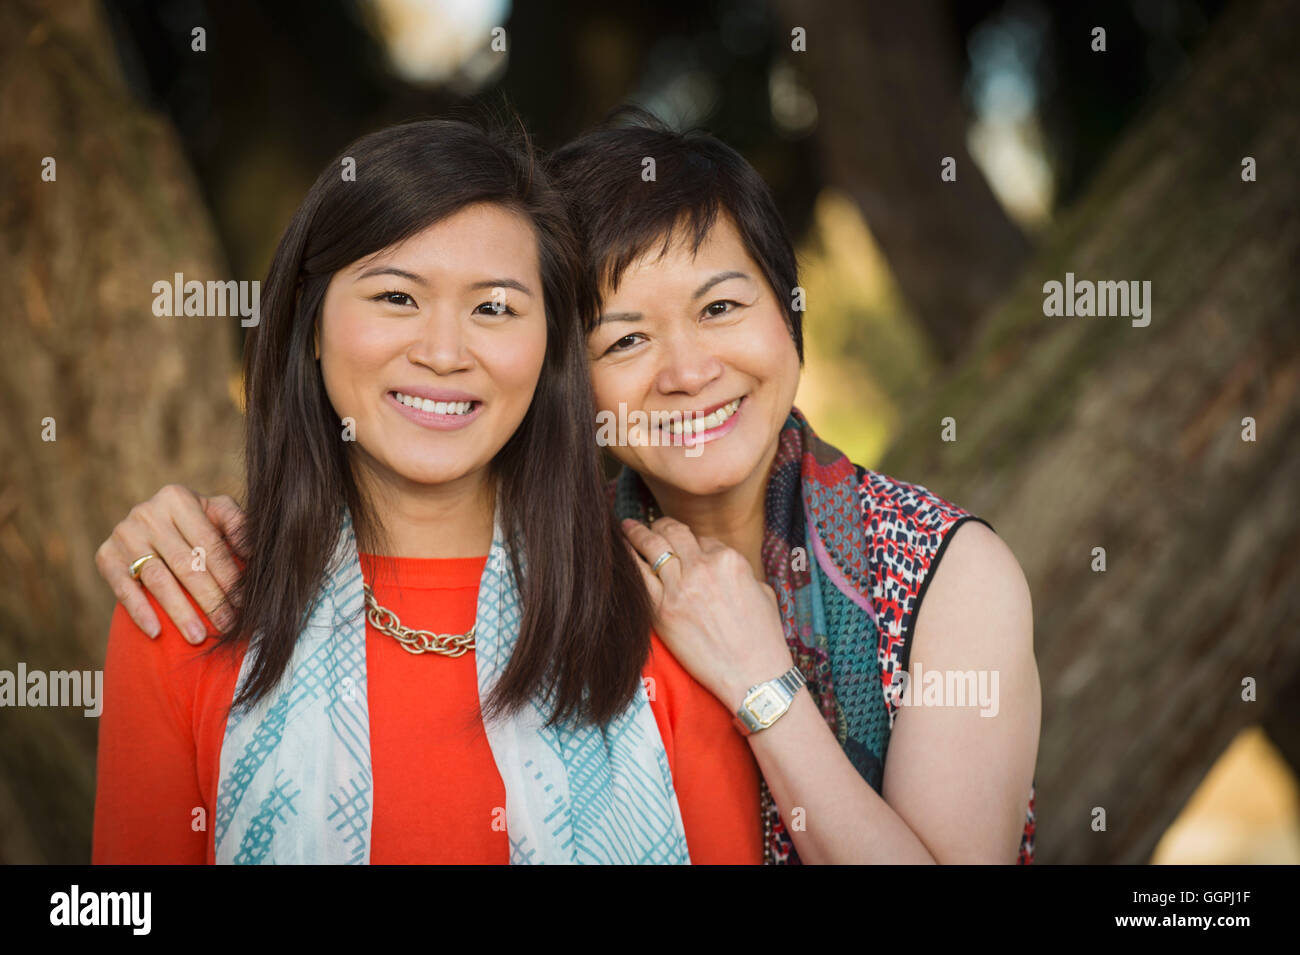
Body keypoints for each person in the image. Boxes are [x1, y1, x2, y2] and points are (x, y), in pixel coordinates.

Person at [96, 110, 1040, 864]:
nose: (685, 371)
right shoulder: (585, 561)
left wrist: (762, 685)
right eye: (624, 338)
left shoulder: (925, 573)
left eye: (720, 307)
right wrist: (174, 523)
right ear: (569, 375)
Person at [91, 118, 761, 865]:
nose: (444, 352)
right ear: (310, 325)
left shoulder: (662, 620)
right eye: (396, 297)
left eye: (495, 307)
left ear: (550, 353)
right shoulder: (189, 602)